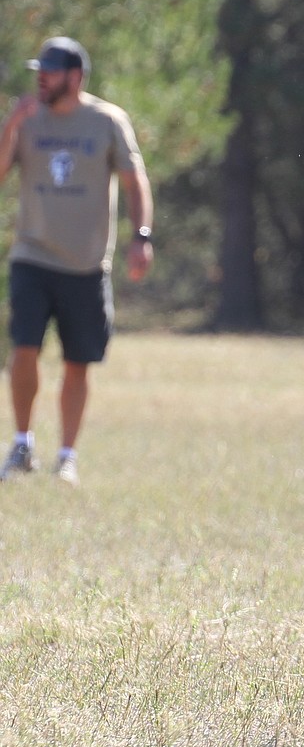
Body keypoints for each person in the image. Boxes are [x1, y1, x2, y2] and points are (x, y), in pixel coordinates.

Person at [0, 37, 154, 485]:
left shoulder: (106, 121)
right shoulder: (28, 120)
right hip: (32, 254)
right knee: (23, 348)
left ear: (76, 76)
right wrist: (11, 123)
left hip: (86, 264)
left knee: (77, 361)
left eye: (50, 69)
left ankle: (66, 454)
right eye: (39, 70)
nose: (41, 77)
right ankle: (22, 442)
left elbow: (135, 182)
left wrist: (141, 236)